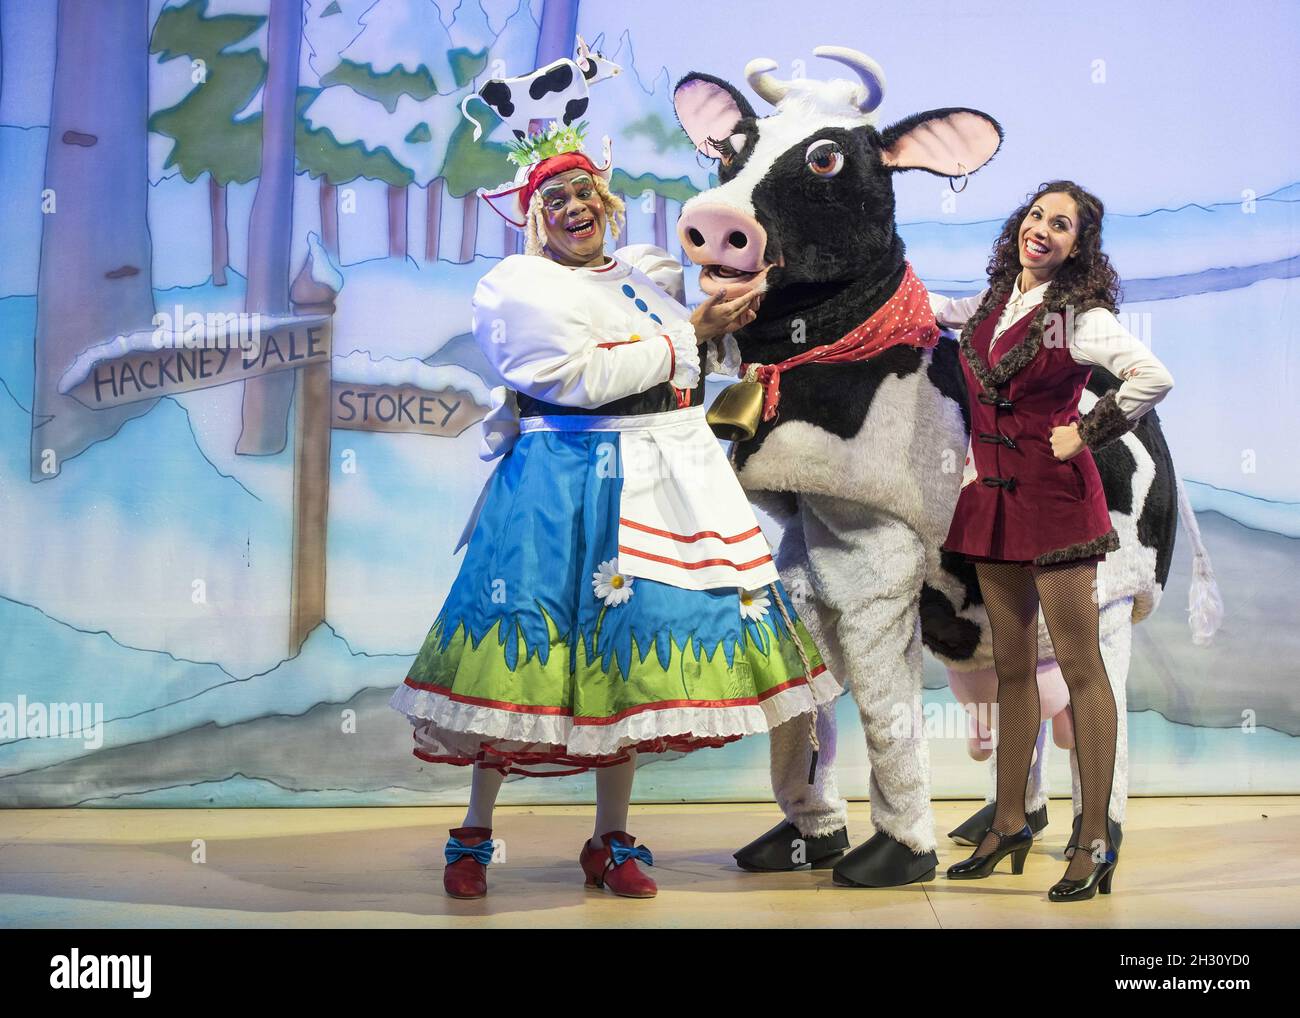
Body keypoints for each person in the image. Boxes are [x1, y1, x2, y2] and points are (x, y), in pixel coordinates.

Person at [389, 122, 838, 901]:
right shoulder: (519, 286)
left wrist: (713, 327)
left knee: (622, 658)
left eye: (585, 194)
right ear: (534, 217)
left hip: (652, 480)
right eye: (554, 198)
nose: (573, 208)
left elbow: (688, 353)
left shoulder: (642, 276)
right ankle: (475, 834)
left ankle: (611, 840)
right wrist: (686, 337)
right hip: (559, 486)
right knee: (524, 649)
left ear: (608, 204)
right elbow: (569, 377)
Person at [929, 180, 1173, 901]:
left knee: (1079, 667)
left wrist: (1089, 430)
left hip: (1056, 506)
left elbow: (1151, 376)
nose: (1042, 230)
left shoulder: (1078, 319)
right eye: (1037, 215)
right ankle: (1010, 821)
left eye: (1060, 225)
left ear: (1078, 246)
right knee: (1010, 669)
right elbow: (927, 311)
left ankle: (1094, 838)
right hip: (991, 506)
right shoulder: (992, 303)